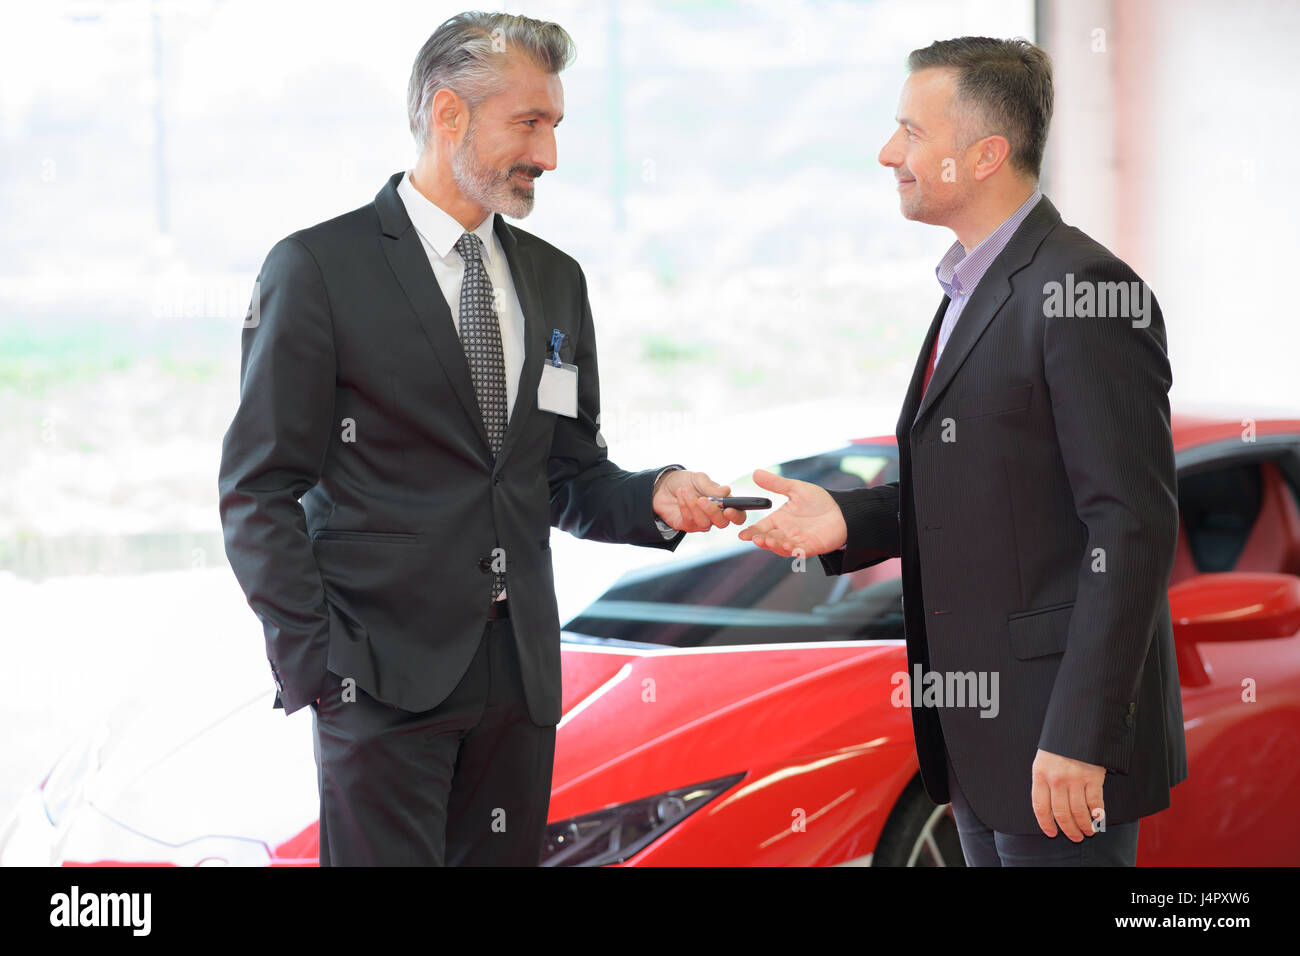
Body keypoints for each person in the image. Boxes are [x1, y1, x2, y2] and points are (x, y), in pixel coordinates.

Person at [217, 11, 743, 866]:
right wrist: (319, 661)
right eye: (529, 123)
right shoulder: (316, 269)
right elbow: (257, 489)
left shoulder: (555, 280)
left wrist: (654, 493)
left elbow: (565, 475)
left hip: (519, 680)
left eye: (556, 125)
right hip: (378, 678)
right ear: (448, 114)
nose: (550, 154)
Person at [737, 37, 1186, 866]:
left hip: (1059, 745)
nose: (887, 153)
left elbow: (1131, 527)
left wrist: (1082, 735)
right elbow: (990, 488)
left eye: (910, 131)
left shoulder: (1083, 290)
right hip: (980, 742)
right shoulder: (971, 286)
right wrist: (847, 517)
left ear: (985, 155)